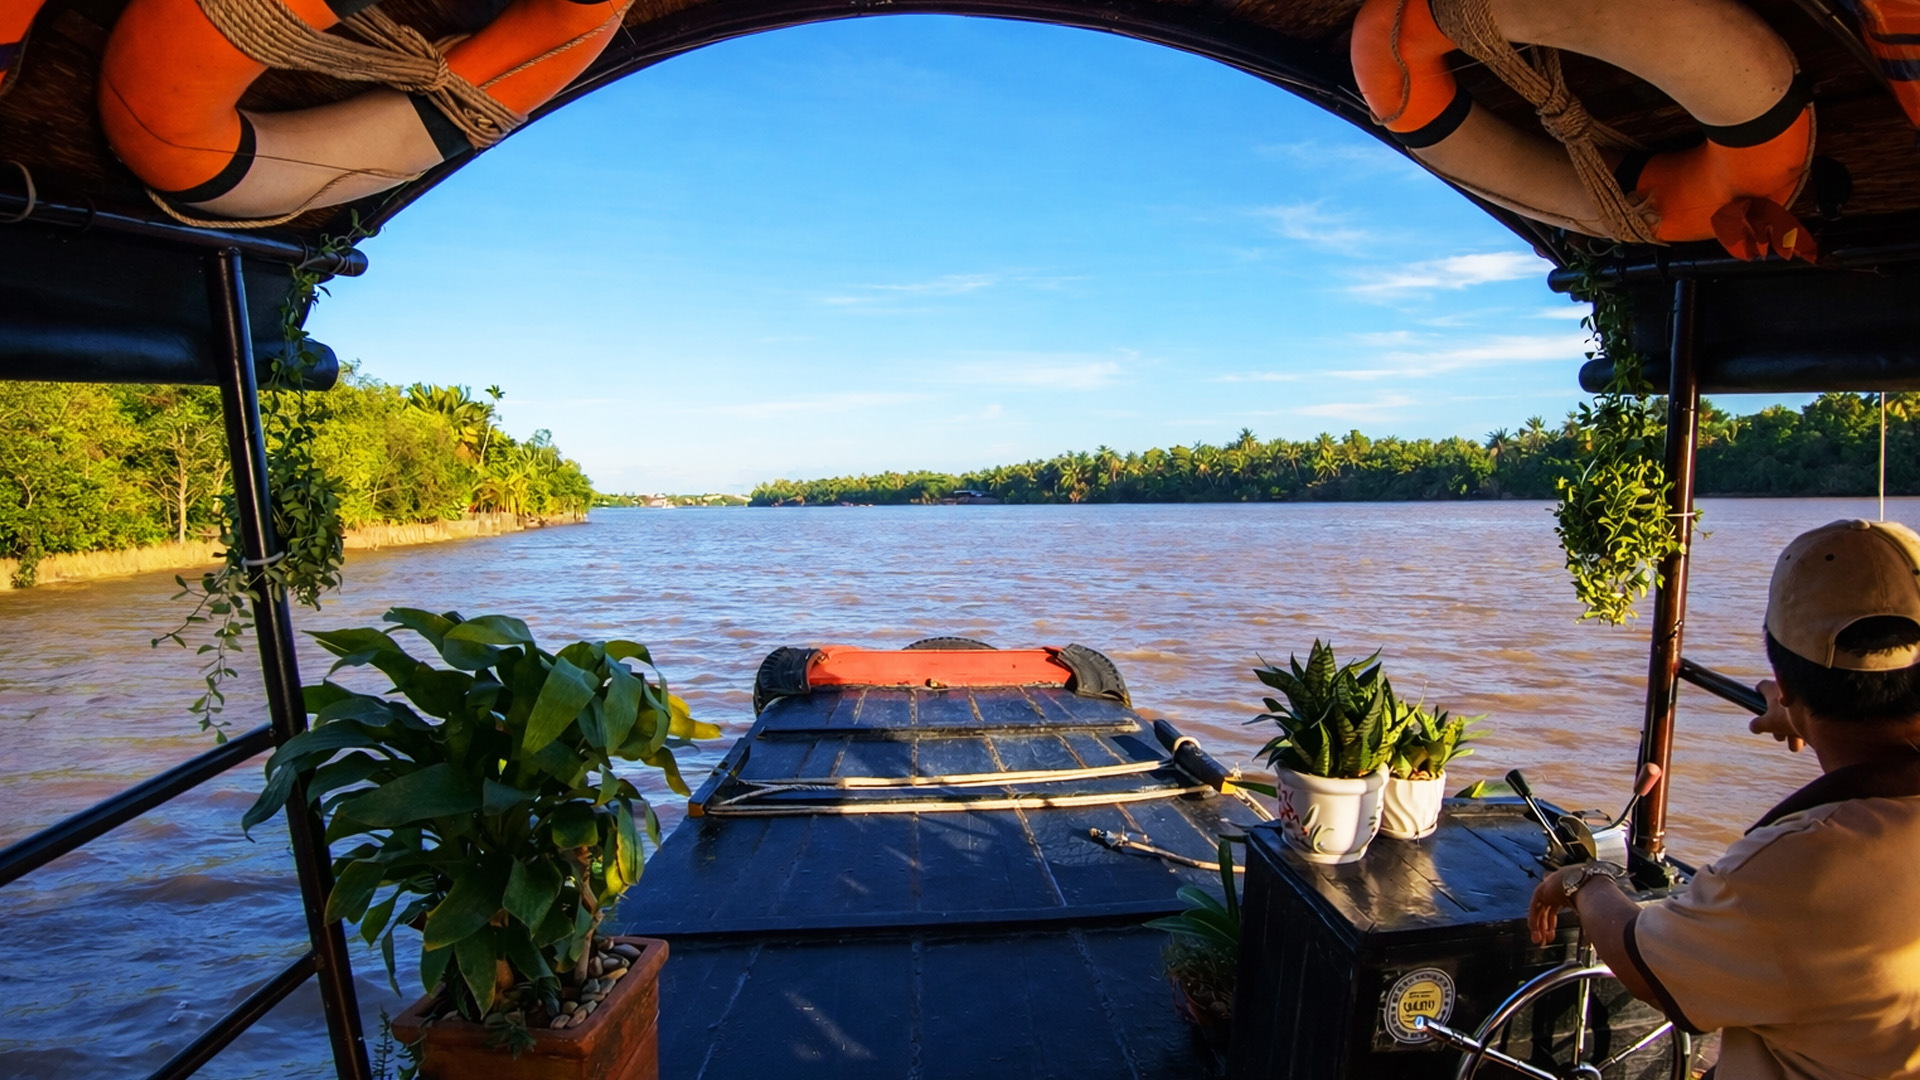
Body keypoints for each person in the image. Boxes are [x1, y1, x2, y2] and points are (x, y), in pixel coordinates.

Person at [1529, 518, 1920, 1080]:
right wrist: (1804, 708)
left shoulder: (1792, 867)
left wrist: (1585, 880)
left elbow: (1644, 966)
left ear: (1782, 681)